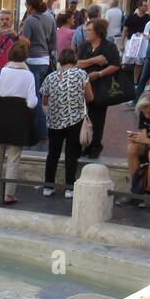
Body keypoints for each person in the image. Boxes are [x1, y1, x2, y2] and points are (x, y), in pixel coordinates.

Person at [0, 41, 38, 204]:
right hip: (18, 118)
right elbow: (32, 102)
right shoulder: (29, 75)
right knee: (13, 159)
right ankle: (9, 194)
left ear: (10, 55)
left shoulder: (0, 72)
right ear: (25, 56)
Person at [39, 48, 93, 197]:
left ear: (60, 61)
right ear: (74, 61)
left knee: (53, 154)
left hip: (54, 120)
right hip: (74, 119)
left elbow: (45, 99)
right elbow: (90, 97)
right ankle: (70, 187)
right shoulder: (82, 74)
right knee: (71, 154)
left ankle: (48, 186)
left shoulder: (50, 77)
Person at [76, 18, 122, 158]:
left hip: (101, 87)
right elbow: (76, 63)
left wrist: (100, 73)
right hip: (84, 88)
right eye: (86, 29)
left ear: (98, 31)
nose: (86, 32)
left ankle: (95, 147)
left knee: (98, 118)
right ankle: (84, 143)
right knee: (83, 116)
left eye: (89, 30)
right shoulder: (84, 46)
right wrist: (94, 61)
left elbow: (116, 65)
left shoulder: (109, 47)